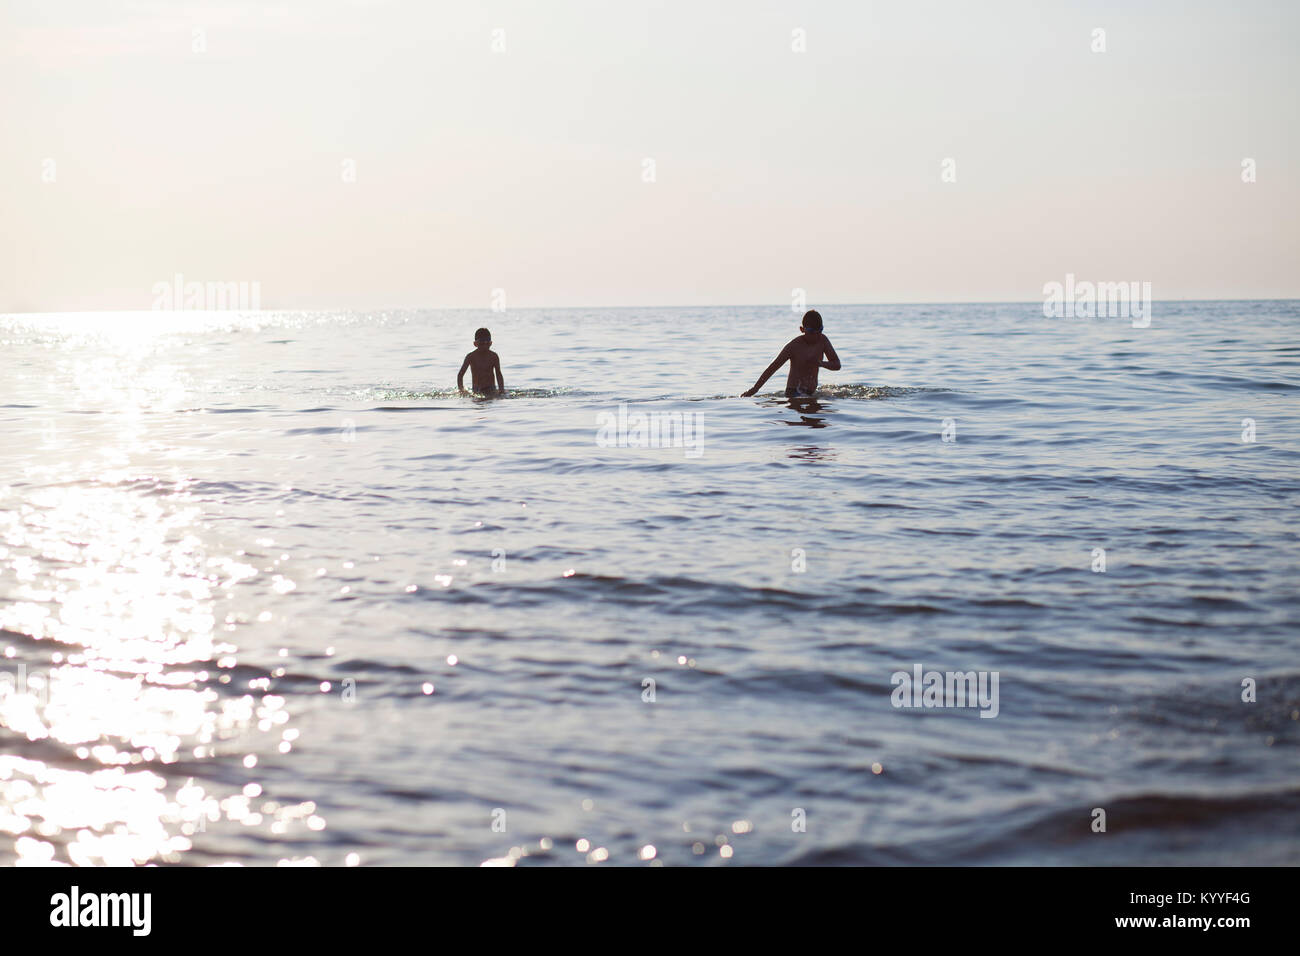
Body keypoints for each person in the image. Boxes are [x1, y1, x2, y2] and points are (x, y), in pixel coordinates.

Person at [741, 310, 840, 398]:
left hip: (811, 393)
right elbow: (773, 367)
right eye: (811, 332)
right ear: (802, 329)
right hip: (794, 393)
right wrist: (755, 389)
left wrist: (820, 363)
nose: (816, 336)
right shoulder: (793, 346)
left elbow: (837, 364)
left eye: (819, 331)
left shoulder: (823, 340)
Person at [457, 328, 505, 395]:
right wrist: (461, 390)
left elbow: (498, 374)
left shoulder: (494, 356)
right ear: (475, 344)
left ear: (491, 343)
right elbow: (460, 375)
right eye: (482, 344)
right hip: (477, 390)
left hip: (491, 389)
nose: (485, 346)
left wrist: (501, 390)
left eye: (487, 344)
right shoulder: (471, 357)